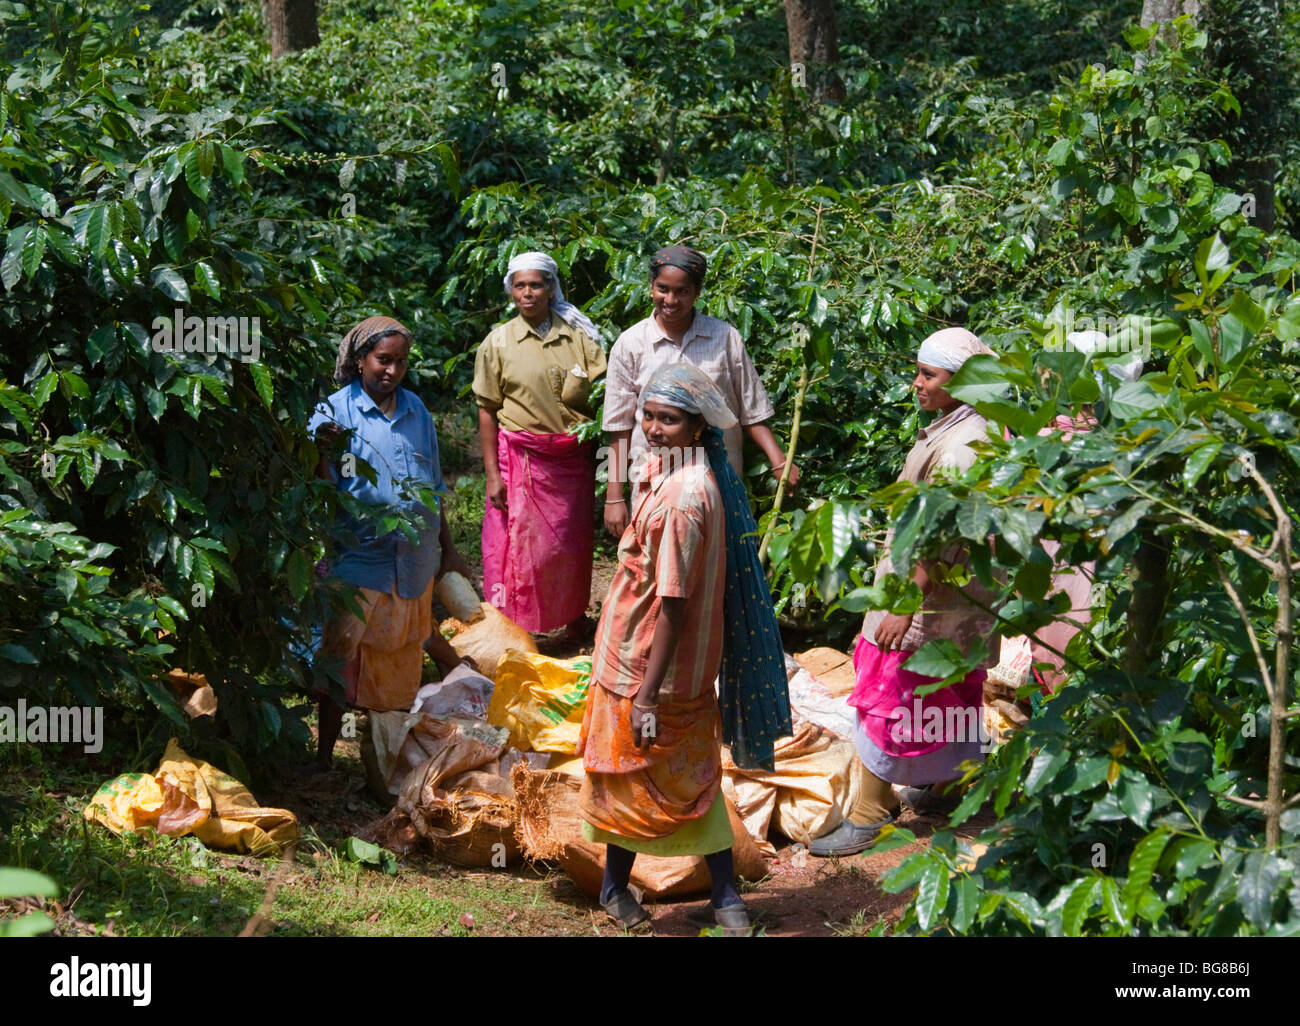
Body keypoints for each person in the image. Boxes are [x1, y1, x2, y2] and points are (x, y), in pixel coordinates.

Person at [577, 362, 792, 934]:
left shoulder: (683, 497)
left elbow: (672, 603)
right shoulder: (683, 470)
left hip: (648, 669)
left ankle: (694, 895)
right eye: (647, 414)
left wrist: (647, 695)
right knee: (675, 779)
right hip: (656, 661)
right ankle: (699, 897)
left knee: (658, 780)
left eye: (667, 419)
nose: (651, 427)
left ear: (698, 426)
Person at [812, 327, 999, 856]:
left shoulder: (962, 446)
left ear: (962, 382)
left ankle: (872, 810)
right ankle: (950, 784)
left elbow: (945, 535)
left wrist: (902, 604)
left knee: (892, 691)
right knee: (949, 688)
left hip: (929, 596)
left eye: (928, 375)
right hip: (955, 599)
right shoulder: (962, 428)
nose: (916, 383)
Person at [305, 315, 471, 772]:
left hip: (413, 556)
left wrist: (448, 549)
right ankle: (323, 759)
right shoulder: (334, 412)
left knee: (401, 652)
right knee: (341, 654)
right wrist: (322, 448)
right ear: (360, 361)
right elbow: (312, 475)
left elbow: (433, 484)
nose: (391, 371)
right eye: (382, 360)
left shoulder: (416, 410)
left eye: (400, 362)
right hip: (360, 554)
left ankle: (386, 756)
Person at [602, 245, 800, 540]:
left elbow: (750, 409)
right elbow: (619, 428)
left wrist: (779, 460)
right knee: (656, 565)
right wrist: (614, 496)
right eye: (662, 289)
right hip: (652, 477)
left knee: (715, 565)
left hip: (717, 476)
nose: (670, 300)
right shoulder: (631, 344)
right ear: (651, 287)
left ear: (697, 293)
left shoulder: (724, 338)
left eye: (681, 291)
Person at [474, 251, 607, 638]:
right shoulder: (498, 343)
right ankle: (520, 628)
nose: (528, 293)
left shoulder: (579, 338)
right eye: (520, 286)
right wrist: (492, 475)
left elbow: (603, 395)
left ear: (551, 289)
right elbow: (487, 409)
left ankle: (573, 618)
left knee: (569, 543)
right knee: (523, 548)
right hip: (522, 459)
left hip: (571, 459)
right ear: (510, 292)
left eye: (536, 284)